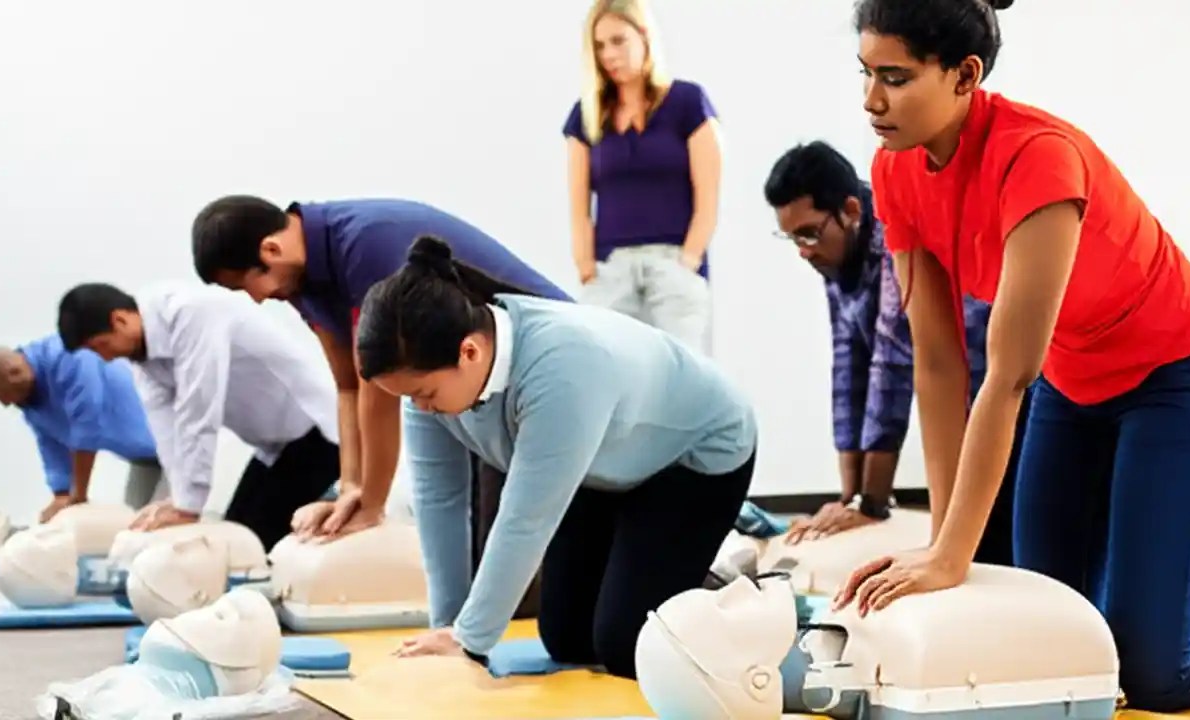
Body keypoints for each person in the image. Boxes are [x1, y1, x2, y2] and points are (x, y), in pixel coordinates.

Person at [834, 0, 1190, 712]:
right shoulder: (895, 169)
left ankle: (1170, 618)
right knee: (1060, 637)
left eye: (895, 78)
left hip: (1178, 378)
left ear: (964, 75)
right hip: (1072, 384)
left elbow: (1008, 374)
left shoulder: (1037, 157)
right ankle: (1170, 606)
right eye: (865, 73)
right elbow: (938, 364)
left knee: (1153, 674)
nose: (872, 99)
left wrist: (953, 556)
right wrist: (941, 545)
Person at [354, 235, 757, 680]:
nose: (419, 407)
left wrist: (470, 640)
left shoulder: (561, 366)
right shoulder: (428, 385)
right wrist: (447, 629)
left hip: (692, 457)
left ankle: (724, 587)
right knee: (569, 639)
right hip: (605, 465)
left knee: (628, 647)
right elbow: (440, 500)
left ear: (469, 351)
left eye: (424, 394)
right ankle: (668, 572)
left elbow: (526, 518)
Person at [190, 196, 570, 544]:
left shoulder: (364, 242)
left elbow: (377, 383)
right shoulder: (299, 282)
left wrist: (372, 504)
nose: (257, 300)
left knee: (515, 540)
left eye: (245, 286)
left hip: (548, 362)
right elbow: (348, 386)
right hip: (473, 386)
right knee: (466, 533)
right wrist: (350, 488)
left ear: (271, 250)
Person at [760, 140, 1029, 565]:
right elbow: (848, 366)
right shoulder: (836, 256)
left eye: (809, 233)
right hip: (962, 398)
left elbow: (893, 361)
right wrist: (849, 499)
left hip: (1005, 388)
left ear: (850, 211)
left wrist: (870, 504)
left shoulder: (891, 230)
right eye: (793, 238)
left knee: (998, 536)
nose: (804, 250)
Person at [55, 281, 341, 551]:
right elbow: (166, 429)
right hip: (275, 447)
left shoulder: (190, 314)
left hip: (319, 429)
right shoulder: (142, 355)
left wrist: (188, 507)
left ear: (120, 320)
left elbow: (198, 412)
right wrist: (178, 499)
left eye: (101, 346)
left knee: (251, 544)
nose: (105, 358)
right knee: (236, 533)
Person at [564, 0, 723, 354]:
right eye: (599, 45)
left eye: (618, 41)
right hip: (611, 272)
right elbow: (578, 207)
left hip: (673, 265)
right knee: (606, 368)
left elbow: (708, 198)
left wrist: (688, 262)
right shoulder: (586, 116)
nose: (609, 55)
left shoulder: (687, 103)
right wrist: (587, 269)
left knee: (682, 372)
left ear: (644, 36)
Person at [0, 336, 164, 523]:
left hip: (176, 446)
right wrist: (61, 494)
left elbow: (87, 427)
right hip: (145, 460)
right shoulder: (29, 395)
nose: (5, 404)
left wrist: (78, 496)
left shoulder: (71, 354)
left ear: (15, 374)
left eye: (3, 395)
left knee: (159, 525)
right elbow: (50, 443)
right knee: (135, 527)